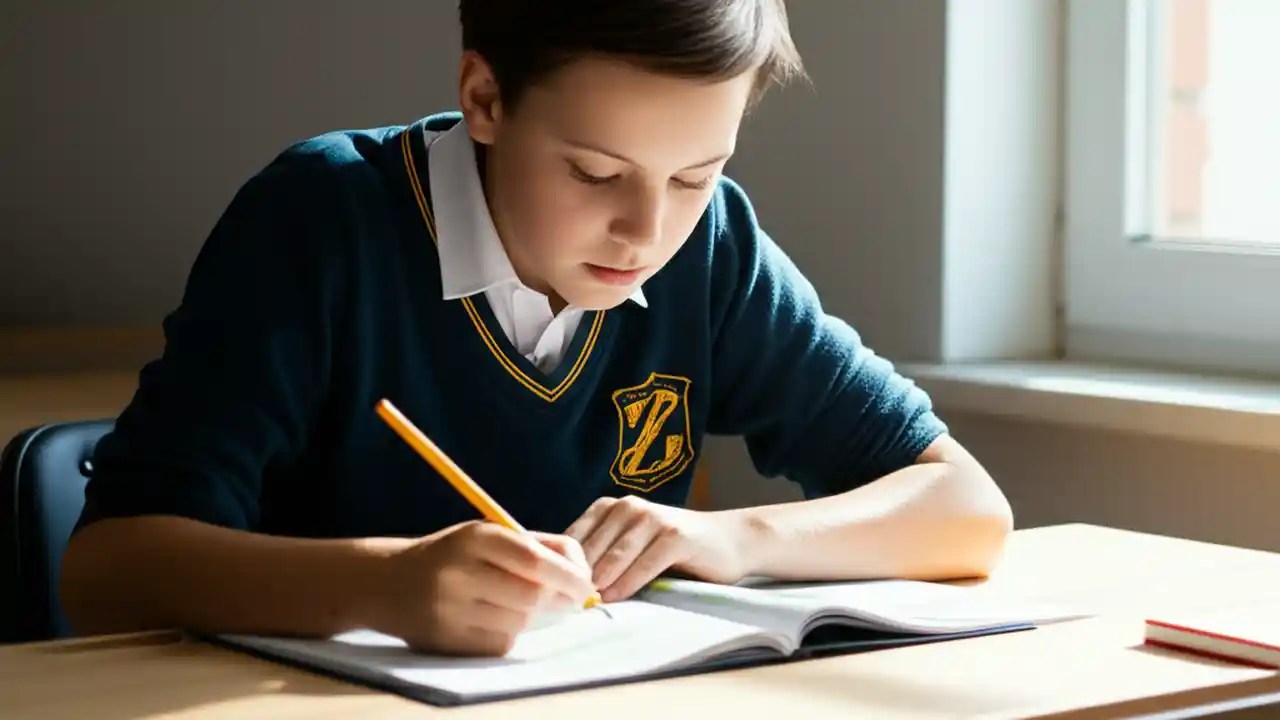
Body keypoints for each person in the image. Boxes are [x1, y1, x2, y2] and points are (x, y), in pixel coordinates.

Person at [61, 0, 1013, 657]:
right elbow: (110, 569)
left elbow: (964, 509)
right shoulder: (322, 224)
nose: (648, 232)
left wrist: (732, 538)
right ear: (484, 99)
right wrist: (385, 588)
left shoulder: (709, 246)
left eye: (695, 174)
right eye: (596, 172)